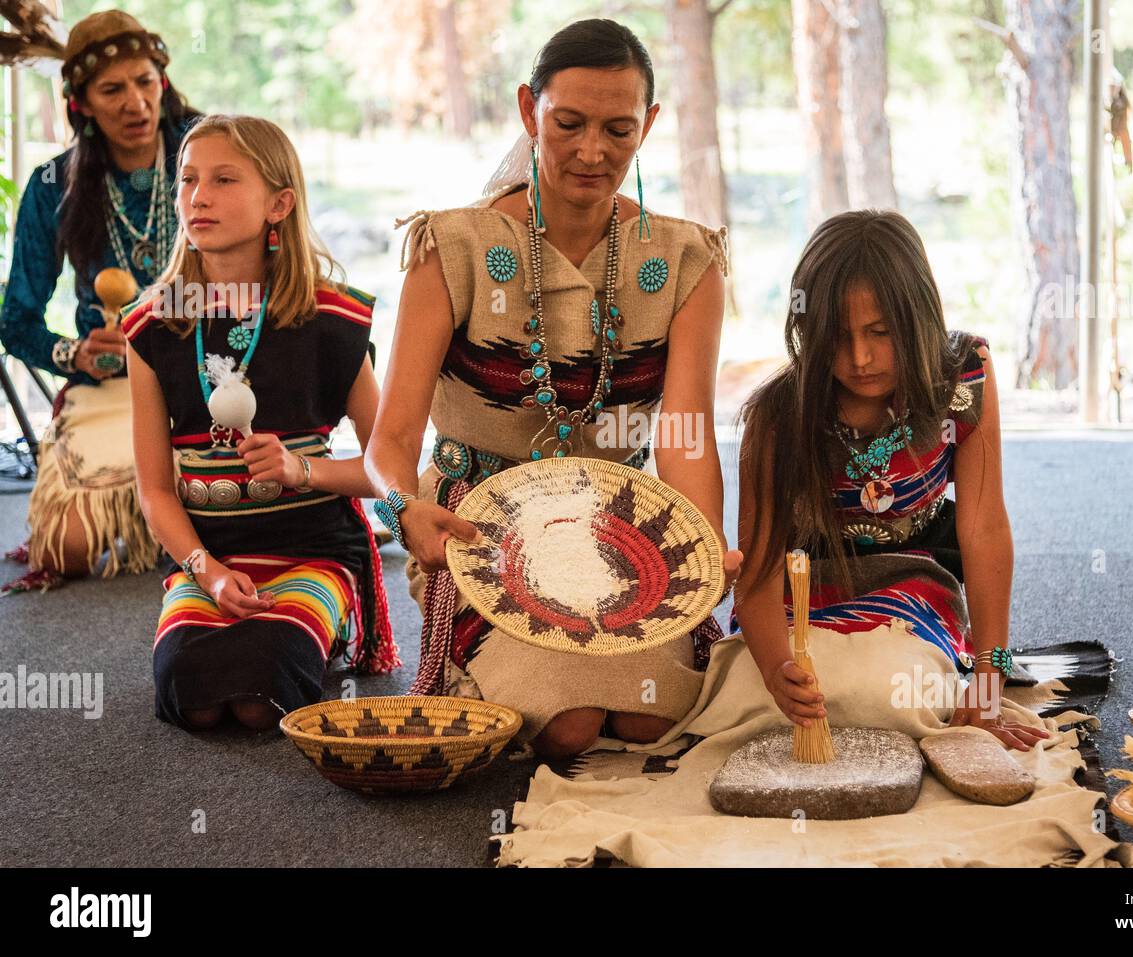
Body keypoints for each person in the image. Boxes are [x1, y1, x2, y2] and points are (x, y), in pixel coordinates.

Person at [366, 19, 742, 759]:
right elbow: (393, 437)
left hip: (622, 541)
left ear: (651, 126)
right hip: (480, 539)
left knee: (649, 719)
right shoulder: (453, 245)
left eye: (618, 129)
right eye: (568, 123)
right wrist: (401, 506)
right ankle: (481, 671)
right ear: (528, 111)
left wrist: (703, 547)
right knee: (568, 724)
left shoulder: (687, 259)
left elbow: (685, 435)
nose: (592, 151)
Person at [733, 210, 1050, 751]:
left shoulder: (964, 376)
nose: (860, 358)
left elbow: (984, 528)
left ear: (918, 318)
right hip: (802, 595)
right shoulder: (778, 415)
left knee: (892, 690)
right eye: (837, 336)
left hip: (913, 583)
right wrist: (774, 667)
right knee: (747, 697)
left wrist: (991, 678)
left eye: (881, 333)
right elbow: (759, 570)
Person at [125, 114, 396, 731]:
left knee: (260, 698)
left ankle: (319, 623)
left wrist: (304, 470)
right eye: (189, 180)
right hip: (208, 557)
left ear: (280, 203)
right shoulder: (152, 326)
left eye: (224, 179)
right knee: (188, 696)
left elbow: (390, 466)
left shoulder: (329, 317)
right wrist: (209, 574)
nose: (199, 196)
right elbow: (155, 489)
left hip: (313, 552)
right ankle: (252, 622)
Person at [0, 10, 202, 591]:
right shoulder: (53, 185)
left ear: (162, 82)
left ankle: (173, 506)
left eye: (145, 82)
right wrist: (76, 354)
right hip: (114, 385)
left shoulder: (210, 153)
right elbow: (16, 322)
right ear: (82, 102)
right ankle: (162, 506)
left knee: (263, 510)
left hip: (215, 374)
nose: (135, 103)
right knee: (65, 549)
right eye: (112, 89)